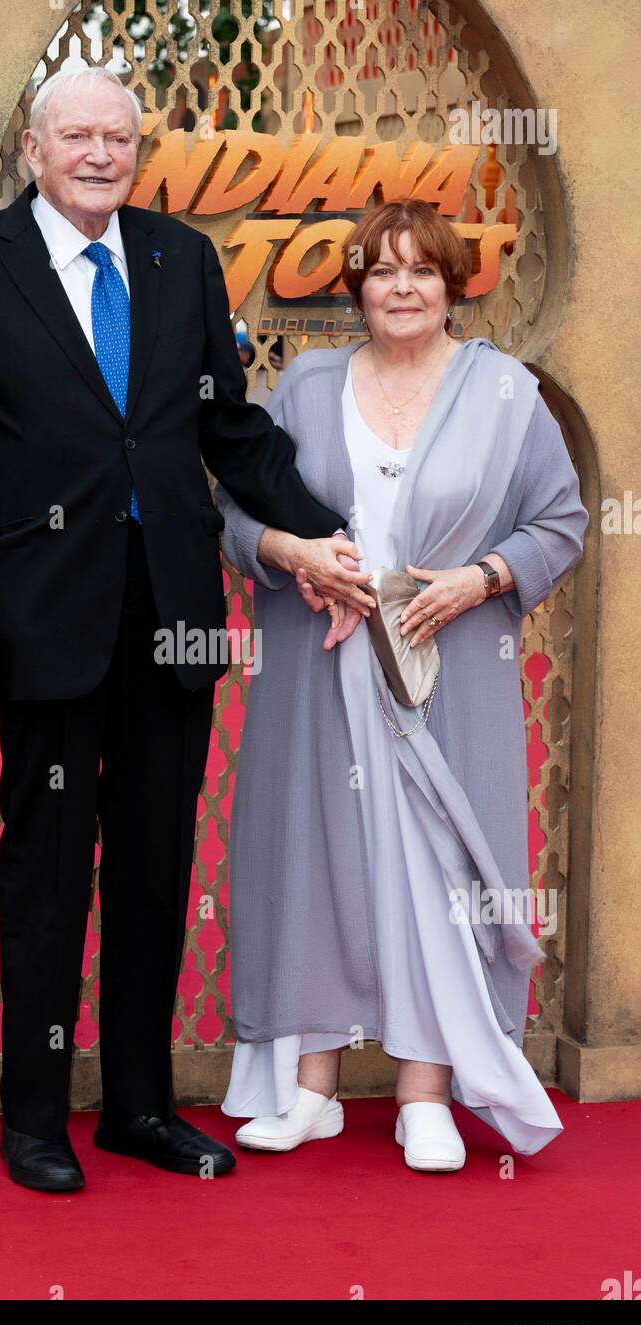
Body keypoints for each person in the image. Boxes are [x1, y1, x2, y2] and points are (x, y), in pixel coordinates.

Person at [0, 66, 361, 1192]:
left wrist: (332, 537)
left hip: (172, 616)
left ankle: (140, 1109)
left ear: (137, 152)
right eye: (78, 137)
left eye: (118, 137)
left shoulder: (180, 259)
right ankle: (35, 1120)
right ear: (34, 148)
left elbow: (228, 430)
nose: (100, 154)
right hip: (41, 618)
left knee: (155, 868)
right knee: (48, 874)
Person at [215, 197, 588, 1171]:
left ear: (453, 283)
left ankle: (425, 1091)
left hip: (444, 681)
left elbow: (558, 524)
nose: (402, 287)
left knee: (436, 876)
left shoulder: (504, 392)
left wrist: (480, 579)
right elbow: (232, 516)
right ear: (356, 287)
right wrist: (293, 551)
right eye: (382, 270)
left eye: (422, 269)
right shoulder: (304, 386)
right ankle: (311, 1091)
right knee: (315, 863)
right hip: (319, 674)